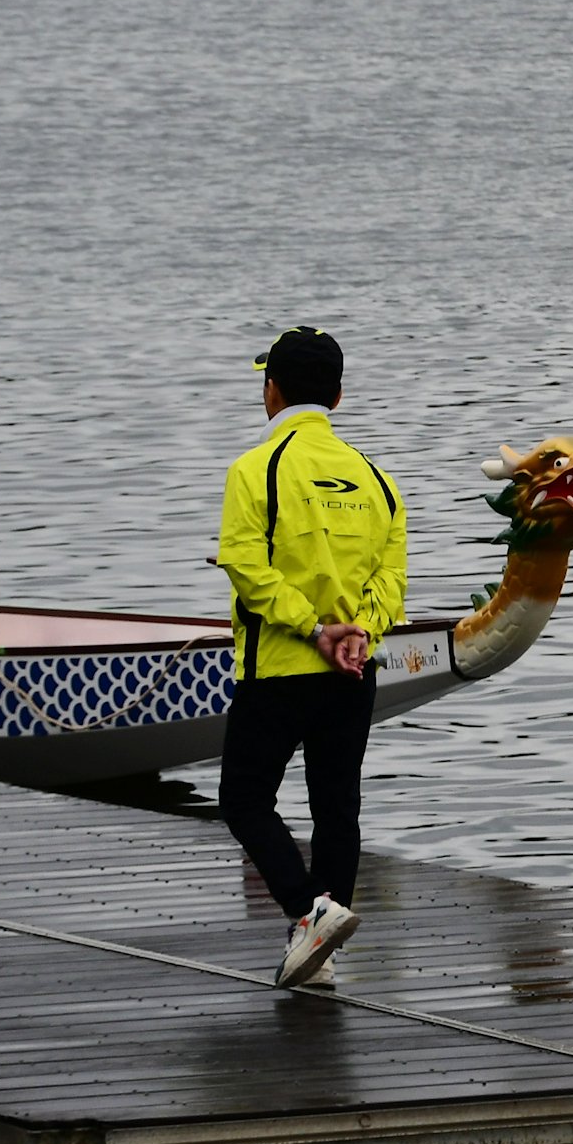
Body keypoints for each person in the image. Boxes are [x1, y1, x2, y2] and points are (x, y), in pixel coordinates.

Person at [215, 327, 408, 988]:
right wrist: (360, 634)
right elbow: (391, 579)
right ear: (339, 395)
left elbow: (245, 565)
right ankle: (320, 950)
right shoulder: (376, 479)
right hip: (353, 672)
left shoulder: (254, 469)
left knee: (243, 798)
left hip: (281, 666)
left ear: (271, 390)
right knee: (337, 806)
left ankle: (307, 913)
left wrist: (314, 629)